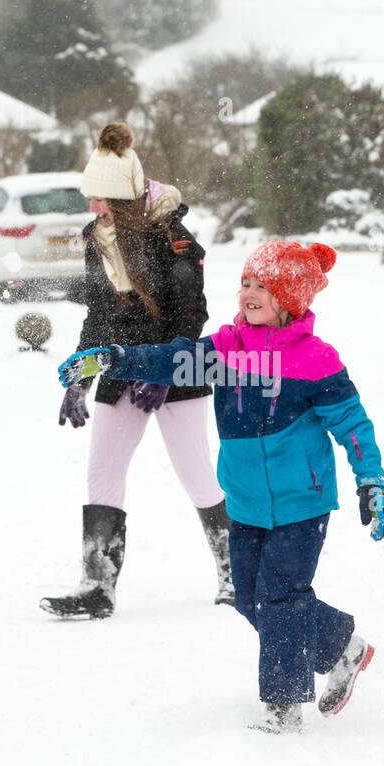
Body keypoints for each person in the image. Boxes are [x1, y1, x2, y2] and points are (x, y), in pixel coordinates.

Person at [58, 240, 384, 733]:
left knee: (280, 595)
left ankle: (282, 708)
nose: (249, 293)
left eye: (264, 286)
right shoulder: (223, 352)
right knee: (248, 596)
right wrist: (114, 358)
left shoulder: (315, 359)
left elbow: (351, 421)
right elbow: (171, 360)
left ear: (290, 298)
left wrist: (371, 481)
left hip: (302, 501)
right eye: (247, 283)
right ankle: (344, 646)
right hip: (247, 500)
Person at [43, 121, 233, 619]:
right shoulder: (96, 240)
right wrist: (80, 377)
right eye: (90, 198)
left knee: (197, 475)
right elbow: (98, 317)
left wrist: (165, 370)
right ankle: (96, 587)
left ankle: (236, 573)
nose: (93, 208)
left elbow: (192, 316)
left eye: (102, 199)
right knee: (102, 472)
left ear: (124, 200)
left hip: (177, 370)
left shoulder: (173, 238)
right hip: (122, 368)